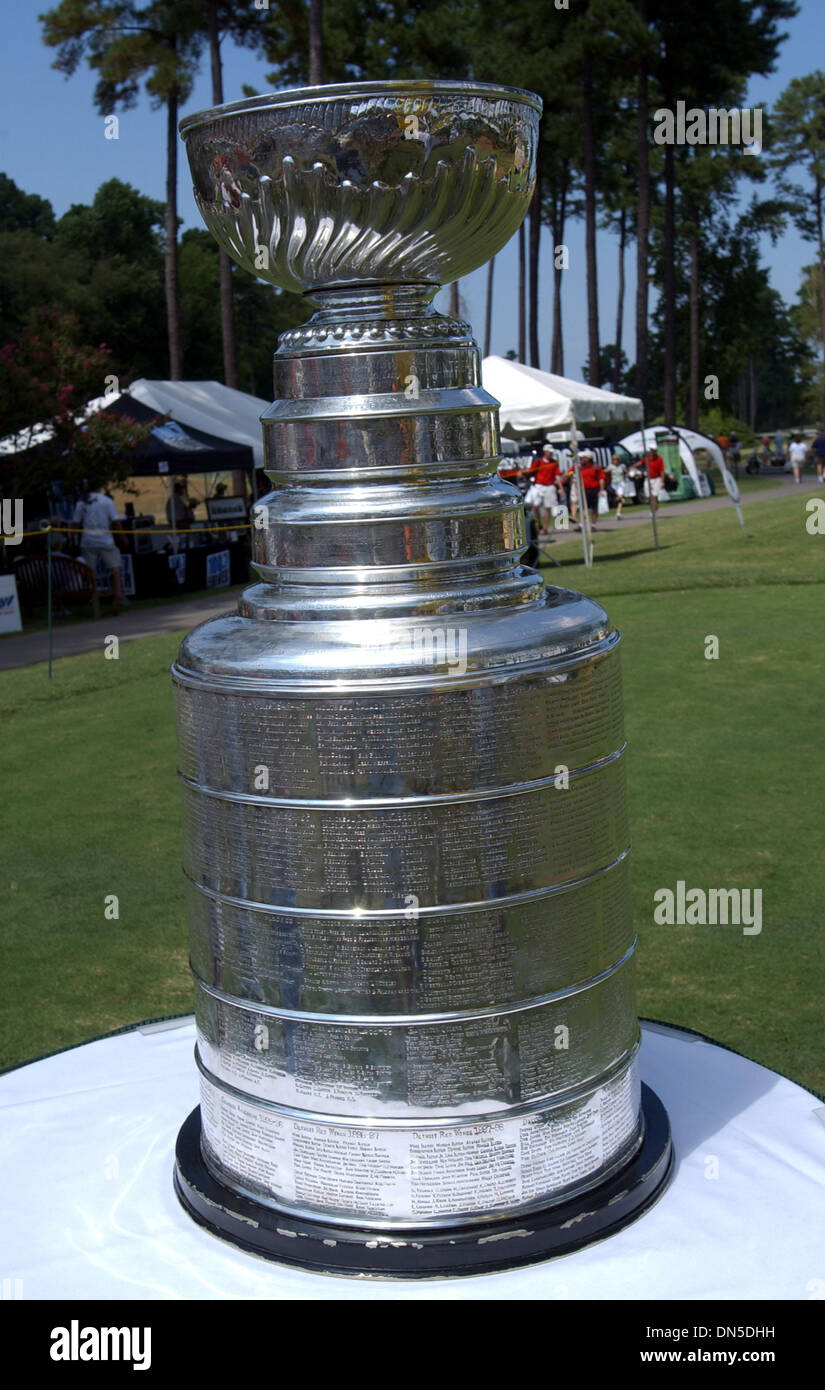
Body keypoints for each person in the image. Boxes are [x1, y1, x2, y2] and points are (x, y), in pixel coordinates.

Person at [72, 480, 126, 618]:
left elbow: (75, 524)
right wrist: (124, 537)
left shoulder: (82, 502)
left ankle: (93, 595)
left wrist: (74, 539)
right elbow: (116, 521)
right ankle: (118, 595)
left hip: (88, 541)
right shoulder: (107, 501)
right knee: (115, 567)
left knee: (90, 570)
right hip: (105, 539)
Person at [526, 444, 564, 536]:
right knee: (536, 506)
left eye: (551, 452)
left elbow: (557, 476)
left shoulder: (554, 462)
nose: (550, 454)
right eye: (549, 452)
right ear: (545, 452)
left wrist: (561, 487)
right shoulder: (538, 461)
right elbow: (530, 471)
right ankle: (539, 524)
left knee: (548, 508)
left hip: (549, 486)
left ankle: (545, 528)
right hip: (539, 486)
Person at [577, 449, 607, 527]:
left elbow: (601, 479)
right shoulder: (580, 467)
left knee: (594, 508)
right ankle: (582, 524)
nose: (582, 459)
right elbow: (572, 473)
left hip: (594, 489)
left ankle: (593, 524)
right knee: (584, 507)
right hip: (584, 490)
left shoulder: (596, 467)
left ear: (588, 458)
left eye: (584, 457)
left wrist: (602, 490)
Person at [166, 479, 195, 543]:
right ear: (178, 490)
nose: (182, 490)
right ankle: (188, 541)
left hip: (175, 521)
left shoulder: (173, 498)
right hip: (177, 522)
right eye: (181, 489)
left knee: (189, 521)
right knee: (188, 522)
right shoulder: (176, 499)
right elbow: (183, 512)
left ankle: (187, 540)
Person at [606, 452, 630, 518]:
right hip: (614, 483)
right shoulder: (611, 466)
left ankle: (618, 512)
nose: (615, 461)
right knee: (618, 498)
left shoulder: (622, 466)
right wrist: (609, 470)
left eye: (616, 460)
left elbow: (626, 472)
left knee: (620, 497)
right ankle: (617, 502)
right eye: (614, 460)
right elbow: (605, 471)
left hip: (620, 483)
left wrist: (626, 476)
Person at [645, 445, 666, 510]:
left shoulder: (659, 459)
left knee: (654, 496)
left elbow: (662, 470)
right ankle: (653, 505)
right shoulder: (647, 459)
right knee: (648, 495)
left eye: (653, 450)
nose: (651, 452)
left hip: (657, 479)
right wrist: (632, 466)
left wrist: (662, 481)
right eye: (651, 450)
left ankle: (654, 510)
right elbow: (640, 462)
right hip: (648, 479)